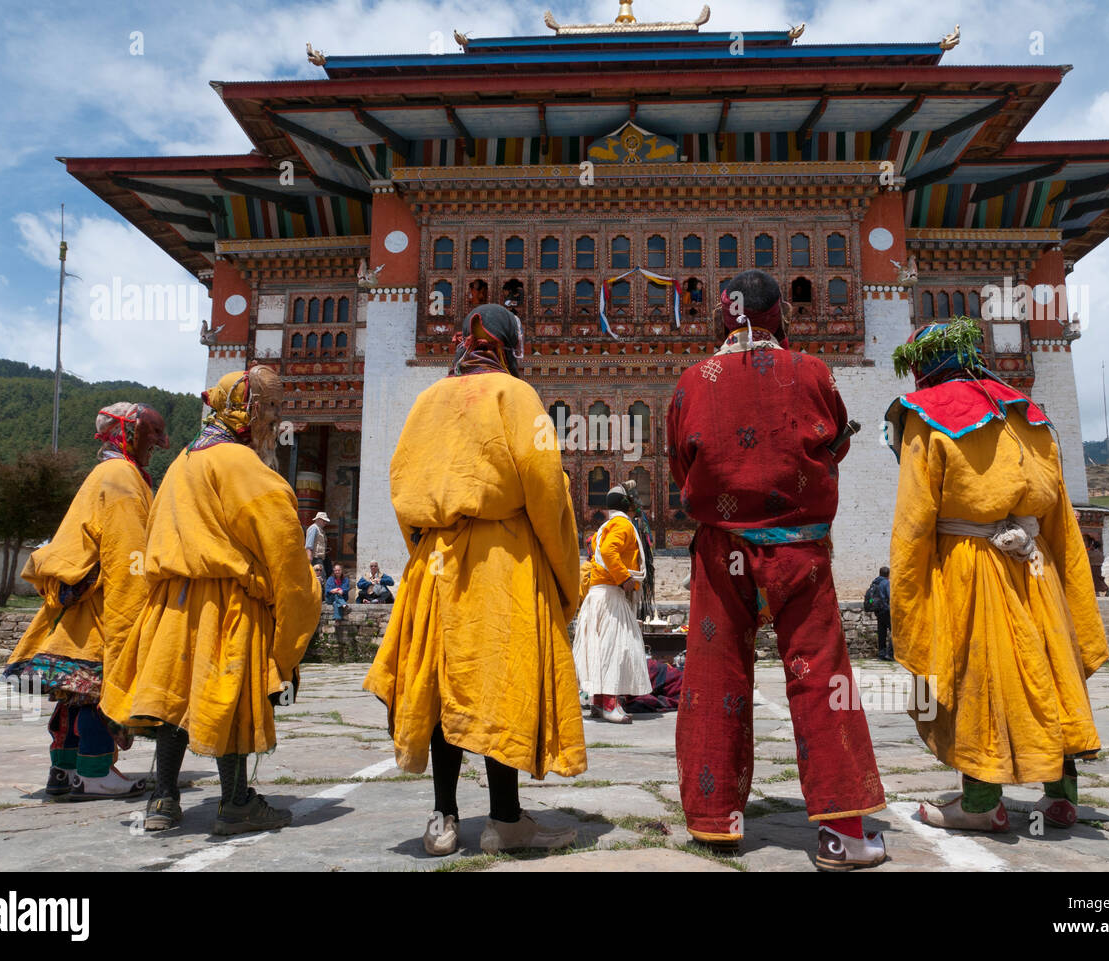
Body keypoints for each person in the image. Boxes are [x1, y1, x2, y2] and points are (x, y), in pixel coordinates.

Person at [667, 268, 887, 870]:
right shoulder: (811, 370)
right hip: (801, 550)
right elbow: (835, 439)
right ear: (777, 317)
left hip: (722, 550)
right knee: (821, 676)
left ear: (723, 315)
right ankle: (843, 829)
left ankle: (716, 822)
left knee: (714, 673)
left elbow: (679, 467)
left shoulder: (693, 381)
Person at [365, 304, 586, 856]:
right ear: (511, 346)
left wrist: (423, 548)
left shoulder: (426, 401)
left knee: (442, 682)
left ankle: (443, 820)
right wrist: (565, 578)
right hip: (501, 559)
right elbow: (545, 488)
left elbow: (401, 482)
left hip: (434, 560)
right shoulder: (517, 395)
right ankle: (505, 821)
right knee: (499, 681)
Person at [886, 319, 1108, 833]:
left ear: (923, 365)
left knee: (974, 676)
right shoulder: (1029, 415)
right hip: (1038, 565)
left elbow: (914, 520)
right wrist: (1069, 586)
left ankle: (982, 804)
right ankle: (1061, 797)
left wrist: (911, 599)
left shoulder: (928, 416)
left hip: (971, 564)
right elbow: (1063, 521)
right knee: (1051, 665)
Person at [101, 367, 322, 836]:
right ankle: (236, 801)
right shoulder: (241, 465)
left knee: (174, 703)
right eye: (271, 410)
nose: (273, 420)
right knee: (232, 700)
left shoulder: (182, 460)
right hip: (226, 600)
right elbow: (284, 549)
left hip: (172, 601)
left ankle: (163, 801)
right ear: (253, 410)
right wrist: (298, 612)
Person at [3, 403, 169, 801]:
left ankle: (62, 773)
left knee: (74, 694)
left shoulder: (105, 473)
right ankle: (94, 772)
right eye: (150, 439)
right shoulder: (122, 476)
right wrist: (133, 624)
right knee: (95, 691)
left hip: (75, 611)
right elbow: (127, 554)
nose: (154, 448)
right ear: (129, 434)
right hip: (102, 608)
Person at [575, 485, 652, 724]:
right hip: (610, 595)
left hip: (600, 595)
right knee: (616, 648)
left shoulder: (604, 527)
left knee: (600, 650)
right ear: (627, 505)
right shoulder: (622, 525)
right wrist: (625, 578)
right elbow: (609, 551)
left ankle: (599, 704)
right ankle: (609, 704)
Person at [865, 567, 892, 660]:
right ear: (888, 574)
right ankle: (890, 653)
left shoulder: (875, 582)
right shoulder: (886, 582)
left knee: (881, 633)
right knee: (894, 631)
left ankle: (881, 654)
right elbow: (889, 596)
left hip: (878, 610)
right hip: (886, 610)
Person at [306, 511, 332, 579]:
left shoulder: (320, 530)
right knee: (321, 576)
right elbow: (309, 544)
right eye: (324, 521)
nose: (325, 523)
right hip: (315, 557)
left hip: (320, 557)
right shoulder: (313, 528)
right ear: (319, 520)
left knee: (325, 574)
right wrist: (309, 556)